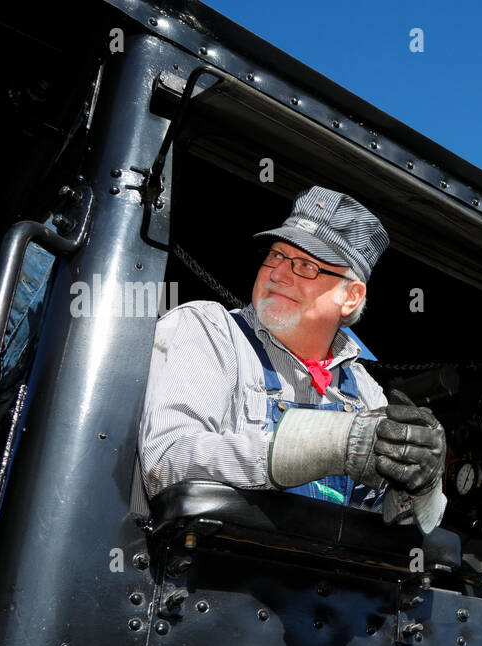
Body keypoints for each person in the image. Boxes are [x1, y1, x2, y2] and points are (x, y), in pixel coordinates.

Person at [139, 186, 446, 533]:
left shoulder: (365, 392)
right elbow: (167, 462)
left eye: (305, 265)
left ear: (350, 297)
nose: (278, 273)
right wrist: (332, 444)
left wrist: (421, 486)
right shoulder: (210, 330)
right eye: (275, 256)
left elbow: (395, 531)